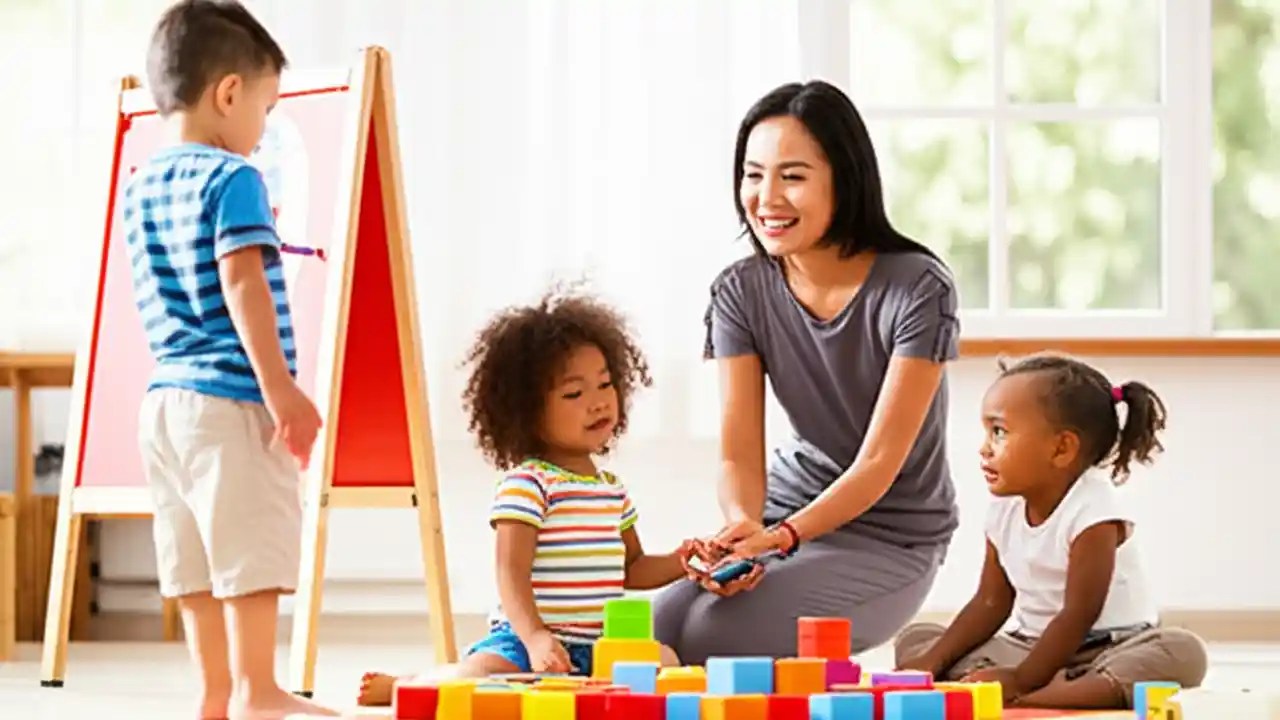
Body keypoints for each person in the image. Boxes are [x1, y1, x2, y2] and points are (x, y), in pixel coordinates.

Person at [652, 79, 963, 663]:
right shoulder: (740, 291)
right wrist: (744, 526)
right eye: (753, 174)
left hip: (890, 538)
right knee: (653, 630)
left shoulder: (919, 287)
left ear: (844, 181)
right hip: (782, 516)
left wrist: (783, 538)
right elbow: (738, 448)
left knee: (716, 635)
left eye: (792, 176)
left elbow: (878, 464)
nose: (767, 196)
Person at [124, 2, 335, 718]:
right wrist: (280, 390)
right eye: (265, 109)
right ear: (228, 94)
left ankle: (215, 693)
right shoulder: (233, 178)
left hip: (163, 404)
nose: (263, 131)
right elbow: (242, 279)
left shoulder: (141, 184)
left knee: (193, 559)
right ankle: (259, 691)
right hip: (229, 397)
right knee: (250, 551)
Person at [357, 286, 684, 706]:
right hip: (526, 640)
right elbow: (510, 572)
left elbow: (632, 567)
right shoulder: (529, 484)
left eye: (605, 384)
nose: (598, 402)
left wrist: (683, 561)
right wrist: (536, 638)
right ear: (526, 410)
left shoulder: (611, 489)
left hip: (599, 645)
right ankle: (412, 684)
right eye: (573, 393)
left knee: (669, 662)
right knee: (482, 680)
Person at [894, 353, 1208, 709]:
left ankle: (1035, 695)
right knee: (918, 638)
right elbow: (990, 602)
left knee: (1183, 650)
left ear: (1061, 448)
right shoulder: (1004, 511)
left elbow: (1079, 612)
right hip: (1030, 645)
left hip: (1108, 647)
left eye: (999, 432)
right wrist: (932, 660)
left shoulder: (1094, 512)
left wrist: (1022, 679)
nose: (984, 448)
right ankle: (1047, 689)